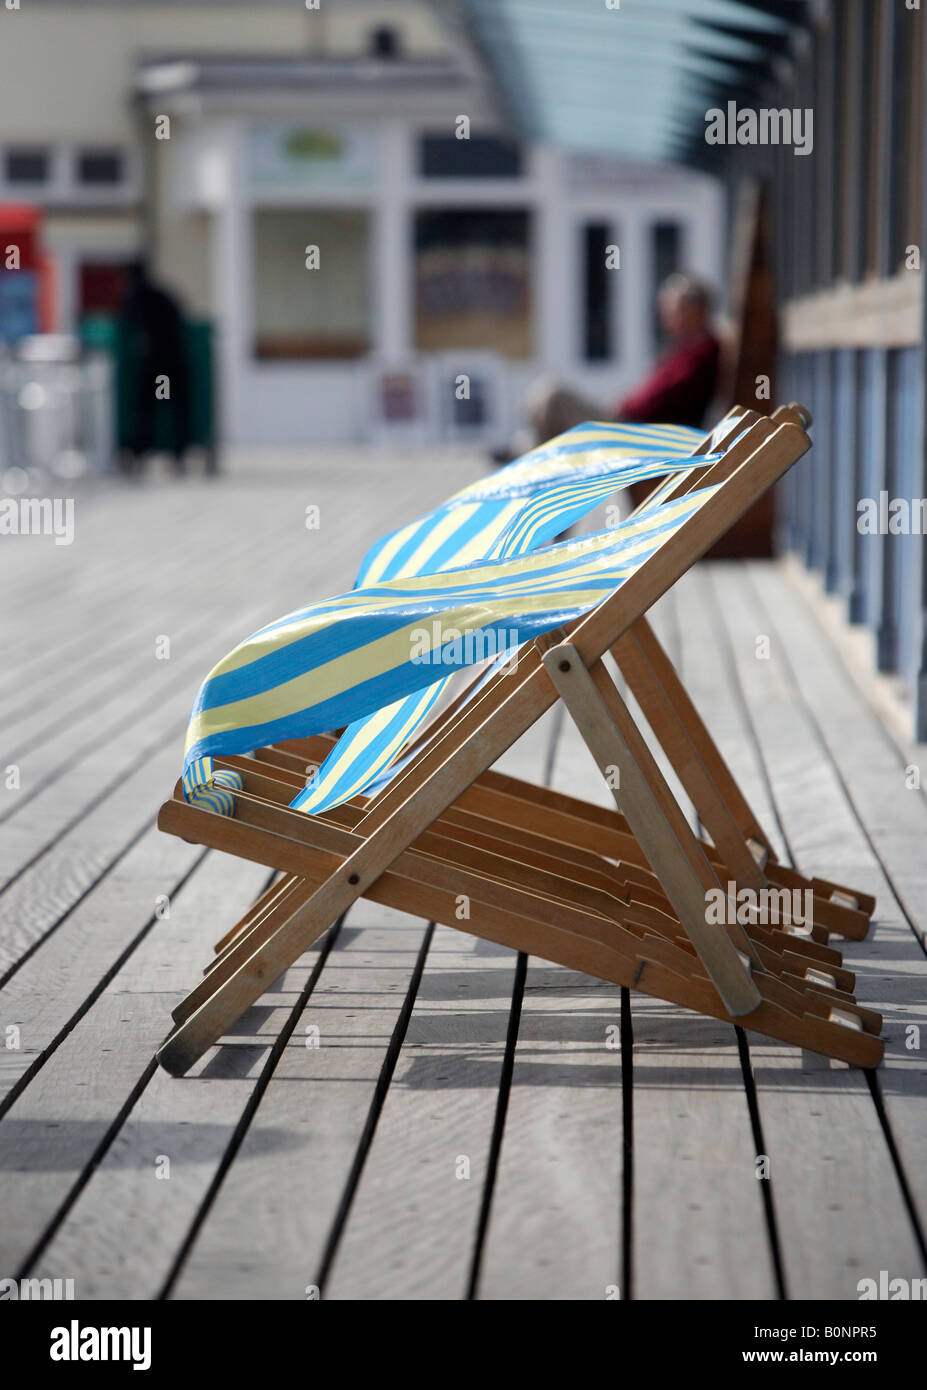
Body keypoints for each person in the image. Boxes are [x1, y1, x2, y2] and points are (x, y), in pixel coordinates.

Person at [525, 273, 721, 449]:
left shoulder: (702, 350)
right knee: (544, 405)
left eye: (673, 309)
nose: (666, 317)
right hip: (633, 427)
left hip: (638, 434)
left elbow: (662, 398)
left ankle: (539, 475)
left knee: (551, 397)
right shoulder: (684, 348)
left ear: (697, 310)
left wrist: (623, 407)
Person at [119, 260, 191, 474]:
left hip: (156, 365)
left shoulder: (136, 298)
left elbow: (129, 325)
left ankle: (140, 455)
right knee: (170, 408)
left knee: (149, 410)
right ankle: (177, 454)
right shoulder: (162, 295)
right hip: (171, 362)